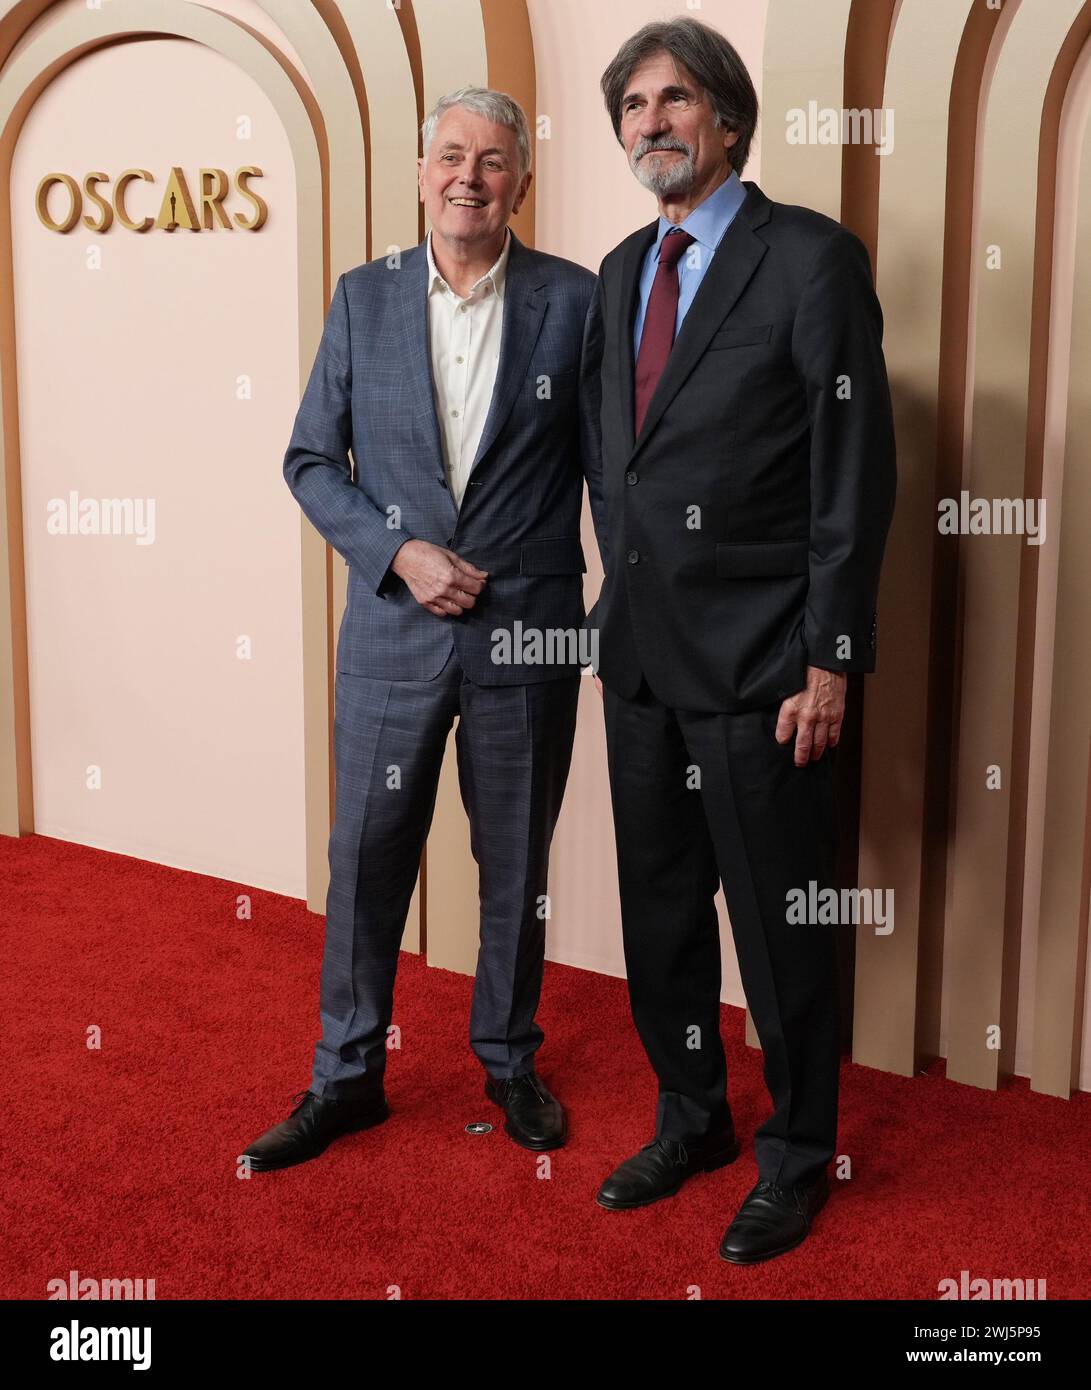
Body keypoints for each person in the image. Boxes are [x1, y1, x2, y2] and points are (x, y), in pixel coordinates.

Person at [582, 17, 896, 1262]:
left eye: (672, 99)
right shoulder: (617, 269)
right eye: (631, 107)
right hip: (643, 661)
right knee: (659, 917)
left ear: (724, 115)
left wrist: (830, 658)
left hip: (769, 667)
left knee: (779, 930)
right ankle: (691, 1117)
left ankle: (796, 1153)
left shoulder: (809, 259)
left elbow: (851, 473)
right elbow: (621, 462)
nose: (650, 122)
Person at [241, 86, 600, 1173]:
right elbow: (310, 460)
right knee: (363, 857)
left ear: (520, 184)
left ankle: (506, 1057)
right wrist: (397, 551)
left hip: (528, 638)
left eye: (493, 162)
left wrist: (619, 612)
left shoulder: (577, 303)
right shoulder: (362, 300)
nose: (468, 178)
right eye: (450, 156)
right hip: (394, 635)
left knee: (513, 865)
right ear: (418, 170)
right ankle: (344, 1077)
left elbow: (610, 472)